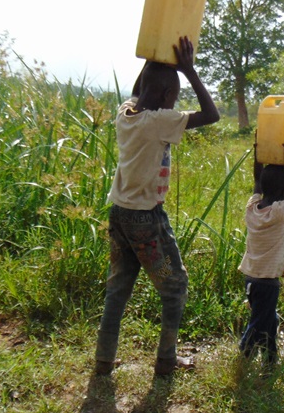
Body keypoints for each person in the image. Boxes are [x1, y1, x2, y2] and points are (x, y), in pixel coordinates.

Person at [94, 36, 219, 377]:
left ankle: (104, 359)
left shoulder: (126, 112)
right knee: (172, 283)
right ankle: (166, 359)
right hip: (145, 223)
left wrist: (156, 55)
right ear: (166, 98)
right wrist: (190, 71)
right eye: (174, 97)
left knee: (119, 285)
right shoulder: (158, 120)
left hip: (119, 214)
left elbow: (141, 88)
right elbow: (212, 114)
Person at [237, 129, 284, 362]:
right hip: (268, 284)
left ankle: (271, 359)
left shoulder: (253, 208)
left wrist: (258, 153)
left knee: (270, 321)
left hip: (252, 279)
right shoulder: (279, 212)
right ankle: (243, 357)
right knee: (259, 322)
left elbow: (256, 180)